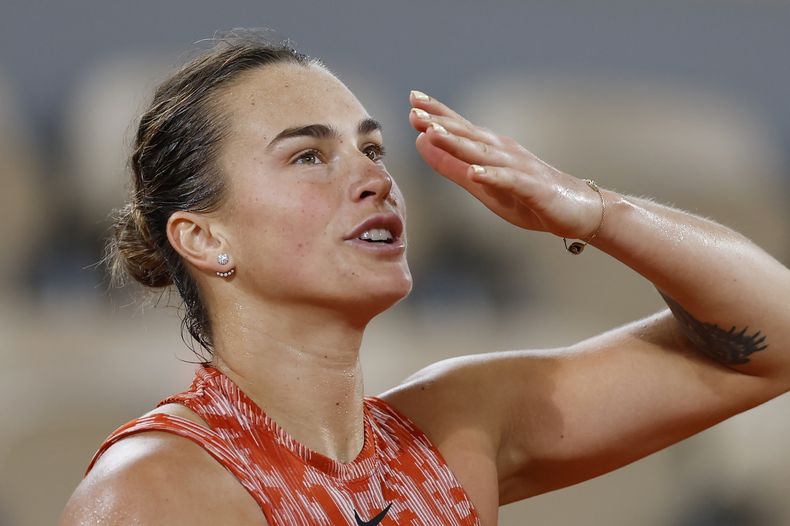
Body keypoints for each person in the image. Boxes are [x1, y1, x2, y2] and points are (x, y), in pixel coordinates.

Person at [60, 34, 790, 526]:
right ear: (204, 237)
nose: (375, 178)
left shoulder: (456, 429)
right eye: (309, 157)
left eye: (372, 148)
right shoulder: (152, 489)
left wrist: (593, 211)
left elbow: (772, 342)